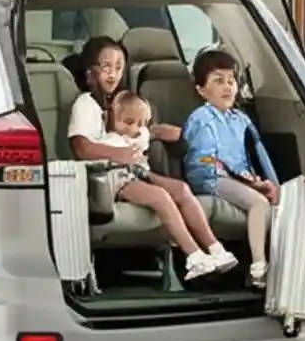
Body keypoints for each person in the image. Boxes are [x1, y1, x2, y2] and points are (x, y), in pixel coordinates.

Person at [67, 36, 239, 281]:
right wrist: (121, 155)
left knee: (180, 189)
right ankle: (193, 256)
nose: (113, 74)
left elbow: (130, 130)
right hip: (107, 176)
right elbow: (82, 148)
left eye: (118, 67)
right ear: (89, 72)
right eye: (106, 67)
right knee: (160, 196)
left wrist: (156, 132)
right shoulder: (85, 104)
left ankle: (215, 249)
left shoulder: (118, 101)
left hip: (133, 170)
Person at [181, 49, 280, 288]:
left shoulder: (240, 119)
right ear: (201, 90)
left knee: (276, 201)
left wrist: (269, 183)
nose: (227, 87)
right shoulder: (201, 117)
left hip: (236, 177)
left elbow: (257, 154)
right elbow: (205, 160)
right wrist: (248, 182)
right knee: (259, 203)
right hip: (210, 176)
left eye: (231, 80)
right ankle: (258, 267)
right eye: (218, 81)